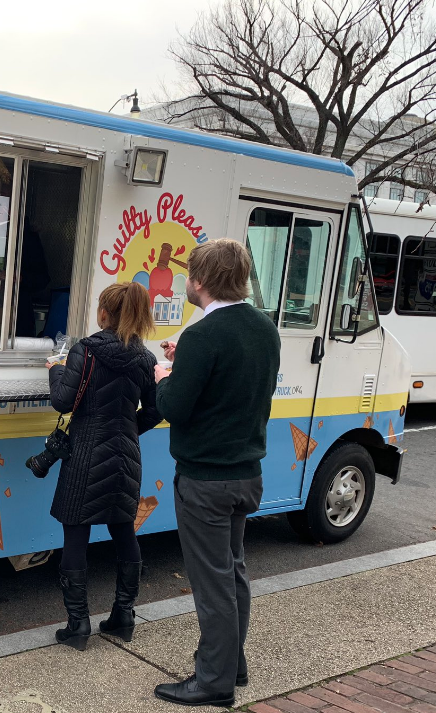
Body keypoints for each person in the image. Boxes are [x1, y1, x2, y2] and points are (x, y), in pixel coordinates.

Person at [152, 239, 280, 707]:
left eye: (189, 274)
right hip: (247, 472)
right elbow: (234, 384)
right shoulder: (264, 327)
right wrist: (182, 357)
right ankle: (232, 664)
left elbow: (177, 408)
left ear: (200, 281)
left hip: (206, 478)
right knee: (234, 572)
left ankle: (213, 682)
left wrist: (165, 374)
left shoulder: (204, 335)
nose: (187, 281)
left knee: (212, 586)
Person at [45, 282, 163, 651]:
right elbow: (158, 409)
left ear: (104, 313)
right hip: (126, 453)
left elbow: (63, 402)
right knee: (124, 529)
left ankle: (77, 624)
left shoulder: (86, 350)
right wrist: (129, 429)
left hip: (85, 453)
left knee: (76, 532)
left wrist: (55, 368)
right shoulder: (145, 358)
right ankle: (123, 616)